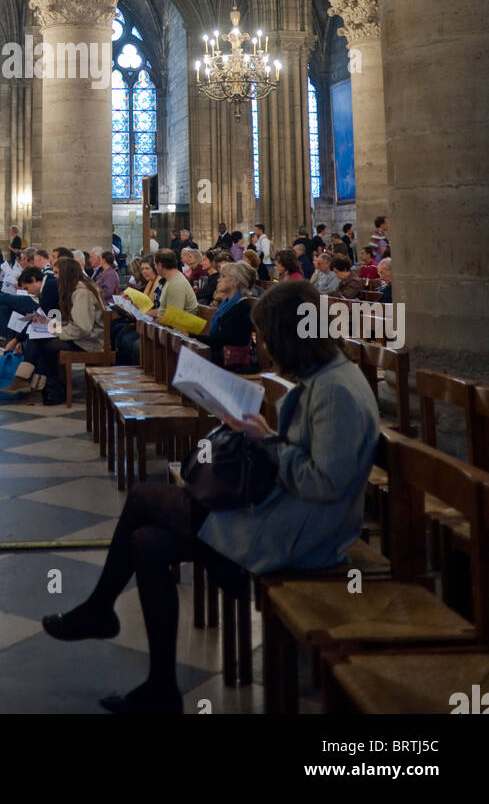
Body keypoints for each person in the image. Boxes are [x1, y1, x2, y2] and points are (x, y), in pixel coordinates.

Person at [41, 280, 380, 715]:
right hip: (288, 513)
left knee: (145, 499)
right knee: (146, 544)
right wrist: (265, 436)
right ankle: (160, 686)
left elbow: (324, 483)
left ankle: (99, 609)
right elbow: (312, 461)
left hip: (305, 534)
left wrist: (267, 442)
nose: (263, 346)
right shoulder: (325, 377)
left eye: (265, 337)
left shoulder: (335, 390)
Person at [1, 255, 105, 396]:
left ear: (66, 274)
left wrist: (54, 329)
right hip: (83, 336)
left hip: (89, 341)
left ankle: (44, 385)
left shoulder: (82, 293)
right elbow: (74, 321)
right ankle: (36, 383)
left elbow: (82, 327)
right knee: (39, 339)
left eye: (57, 273)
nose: (54, 277)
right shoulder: (79, 289)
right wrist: (51, 325)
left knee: (41, 342)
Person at [205, 261, 257, 368]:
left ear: (236, 281)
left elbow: (221, 339)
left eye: (223, 276)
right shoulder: (226, 303)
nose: (218, 280)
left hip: (232, 363)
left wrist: (192, 336)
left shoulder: (242, 307)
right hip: (220, 356)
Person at [154, 250, 200, 316]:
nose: (155, 267)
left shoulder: (177, 284)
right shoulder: (171, 279)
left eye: (155, 264)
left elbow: (173, 317)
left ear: (160, 265)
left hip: (180, 325)